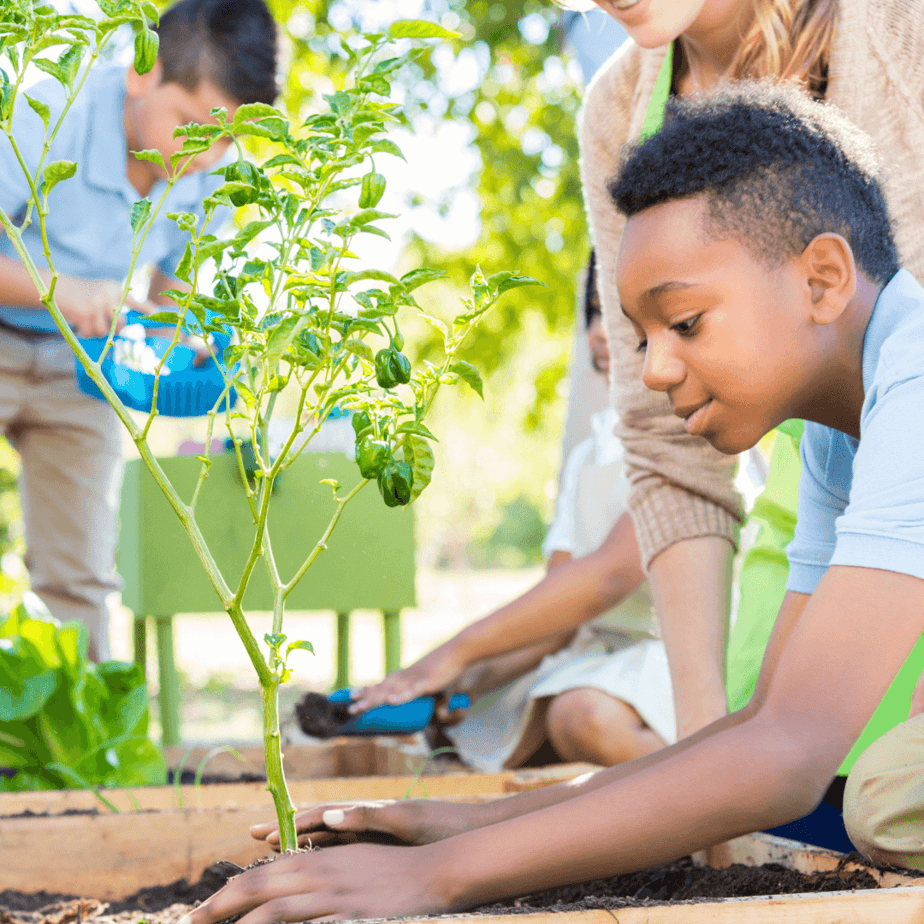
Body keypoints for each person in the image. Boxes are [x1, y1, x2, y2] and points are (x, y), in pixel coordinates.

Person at [181, 82, 924, 922]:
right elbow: (764, 720)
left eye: (684, 323)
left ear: (822, 278)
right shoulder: (839, 433)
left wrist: (442, 877)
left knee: (889, 795)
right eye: (644, 339)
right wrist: (471, 822)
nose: (653, 371)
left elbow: (788, 754)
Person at [578, 0, 924, 798]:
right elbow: (663, 444)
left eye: (690, 322)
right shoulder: (617, 113)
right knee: (807, 818)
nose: (659, 366)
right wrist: (700, 744)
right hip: (822, 521)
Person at [0, 0, 278, 660]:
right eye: (190, 125)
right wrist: (56, 289)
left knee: (82, 574)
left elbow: (170, 291)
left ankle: (67, 753)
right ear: (141, 74)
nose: (205, 155)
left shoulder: (208, 173)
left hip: (87, 367)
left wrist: (188, 335)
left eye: (226, 138)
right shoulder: (45, 115)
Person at [352, 253, 675, 771]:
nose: (599, 332)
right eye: (592, 313)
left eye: (619, 316)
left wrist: (454, 651)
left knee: (578, 717)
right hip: (607, 661)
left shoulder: (689, 434)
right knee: (491, 734)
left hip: (682, 661)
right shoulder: (590, 456)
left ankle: (716, 799)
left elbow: (608, 579)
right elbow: (556, 622)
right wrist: (463, 679)